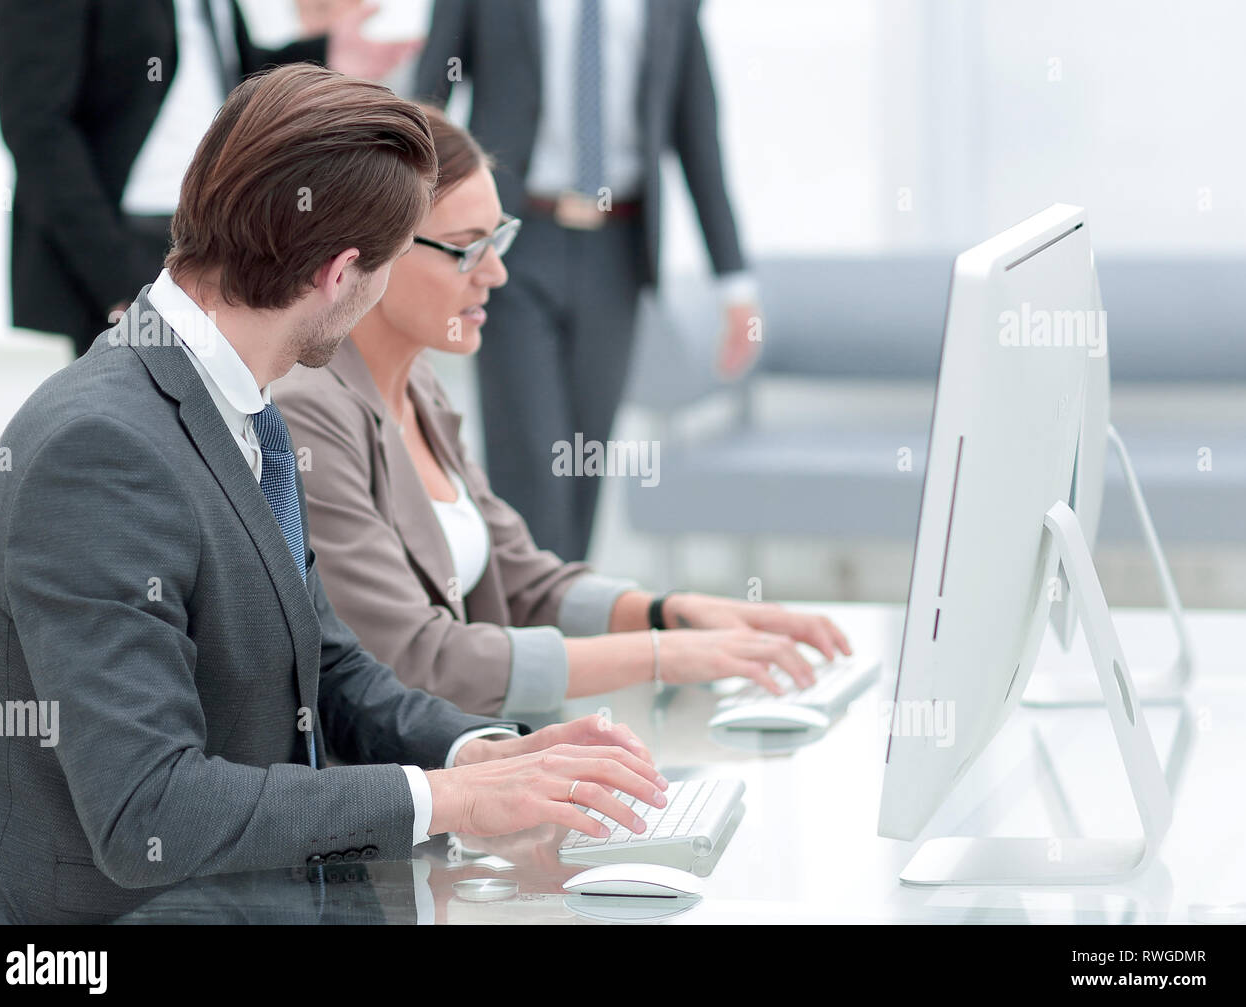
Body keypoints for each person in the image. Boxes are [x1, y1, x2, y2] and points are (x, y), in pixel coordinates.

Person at [0, 65, 666, 926]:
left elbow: (326, 665)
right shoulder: (99, 450)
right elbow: (149, 809)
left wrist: (477, 754)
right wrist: (442, 803)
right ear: (340, 274)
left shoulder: (239, 393)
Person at [272, 108, 850, 719]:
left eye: (499, 240)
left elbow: (523, 581)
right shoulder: (309, 412)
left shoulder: (417, 382)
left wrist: (668, 613)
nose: (496, 273)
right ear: (367, 254)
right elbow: (419, 658)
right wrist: (662, 656)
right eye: (468, 249)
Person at [412, 0, 762, 562]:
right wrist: (402, 231)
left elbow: (697, 133)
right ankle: (535, 632)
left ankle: (565, 622)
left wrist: (735, 287)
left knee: (584, 456)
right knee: (530, 454)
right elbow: (428, 100)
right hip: (511, 243)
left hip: (618, 252)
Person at [0, 0, 421, 359]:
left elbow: (221, 78)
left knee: (233, 423)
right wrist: (117, 279)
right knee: (143, 432)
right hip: (127, 245)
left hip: (221, 231)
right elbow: (37, 132)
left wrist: (322, 51)